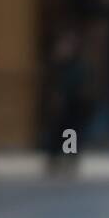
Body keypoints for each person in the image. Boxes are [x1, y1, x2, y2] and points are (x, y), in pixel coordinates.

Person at [42, 32, 91, 177]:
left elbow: (80, 85)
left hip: (73, 104)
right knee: (57, 131)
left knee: (70, 131)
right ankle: (55, 158)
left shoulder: (78, 66)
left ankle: (69, 157)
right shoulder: (57, 65)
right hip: (60, 105)